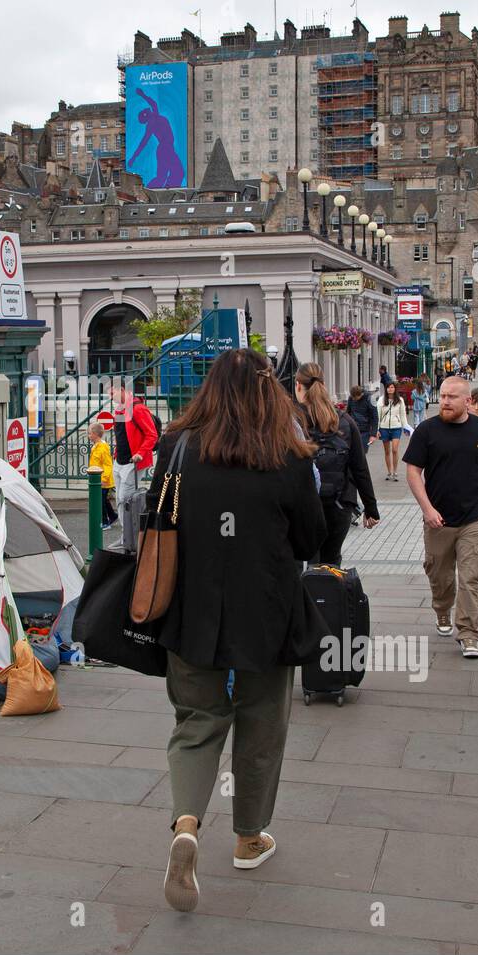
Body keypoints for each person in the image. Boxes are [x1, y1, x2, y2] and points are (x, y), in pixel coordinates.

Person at [150, 348, 327, 913]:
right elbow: (311, 541)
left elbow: (156, 519)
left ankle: (186, 826)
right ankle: (250, 838)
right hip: (267, 613)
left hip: (191, 609)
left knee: (197, 720)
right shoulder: (290, 459)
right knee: (262, 724)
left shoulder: (176, 449)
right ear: (266, 393)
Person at [403, 375, 478, 659]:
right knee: (440, 576)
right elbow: (412, 472)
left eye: (451, 397)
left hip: (475, 517)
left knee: (472, 577)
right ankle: (442, 609)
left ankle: (469, 634)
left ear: (467, 401)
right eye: (442, 396)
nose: (444, 401)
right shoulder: (426, 430)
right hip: (438, 519)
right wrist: (428, 509)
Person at [293, 362, 380, 564]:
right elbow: (360, 468)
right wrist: (370, 508)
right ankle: (329, 594)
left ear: (298, 385)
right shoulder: (345, 421)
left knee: (303, 562)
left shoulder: (291, 420)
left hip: (303, 505)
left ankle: (308, 595)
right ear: (323, 384)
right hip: (339, 502)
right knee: (331, 561)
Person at [110, 381, 159, 552]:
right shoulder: (121, 409)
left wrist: (140, 452)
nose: (111, 396)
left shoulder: (138, 409)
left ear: (122, 390)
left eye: (112, 393)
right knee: (119, 500)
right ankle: (126, 536)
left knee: (125, 499)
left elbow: (151, 434)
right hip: (120, 461)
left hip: (133, 462)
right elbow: (122, 434)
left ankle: (130, 538)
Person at [376, 380, 409, 481]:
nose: (390, 389)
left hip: (396, 427)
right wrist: (376, 429)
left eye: (392, 387)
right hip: (384, 427)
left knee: (394, 449)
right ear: (386, 389)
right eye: (388, 387)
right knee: (387, 451)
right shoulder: (381, 400)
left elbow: (403, 415)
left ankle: (395, 471)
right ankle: (389, 471)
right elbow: (378, 416)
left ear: (395, 389)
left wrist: (406, 427)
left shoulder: (400, 400)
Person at [87, 422, 117, 527]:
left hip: (103, 480)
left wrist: (103, 479)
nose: (88, 435)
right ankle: (113, 516)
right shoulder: (96, 446)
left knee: (100, 501)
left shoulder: (103, 447)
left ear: (95, 434)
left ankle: (105, 522)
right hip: (97, 478)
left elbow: (108, 465)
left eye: (90, 433)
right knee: (103, 500)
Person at [346, 384, 379, 449]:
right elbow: (348, 413)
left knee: (362, 452)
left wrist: (373, 434)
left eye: (355, 398)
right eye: (352, 397)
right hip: (353, 429)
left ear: (361, 394)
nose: (354, 399)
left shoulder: (370, 398)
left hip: (365, 431)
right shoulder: (351, 398)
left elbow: (375, 417)